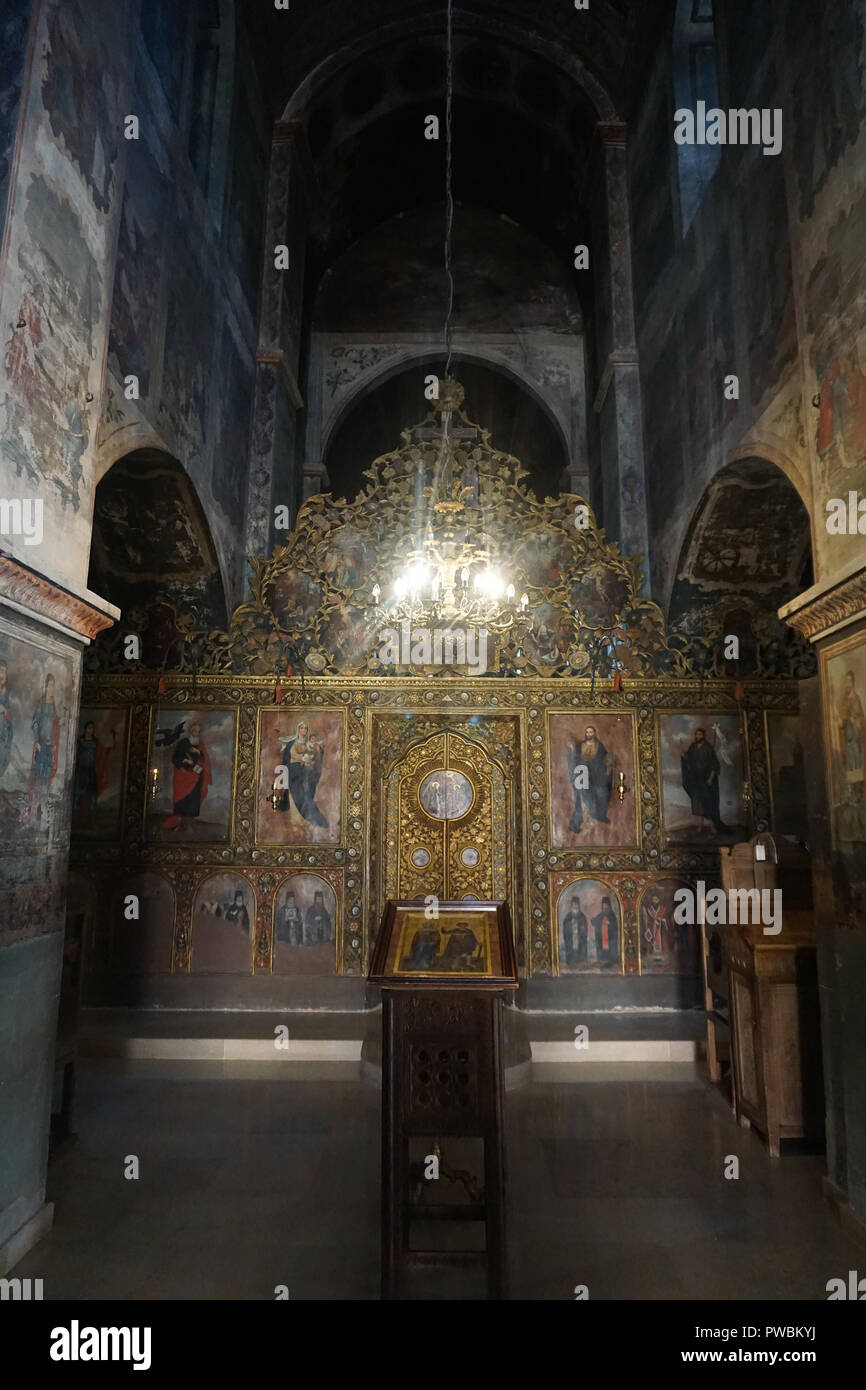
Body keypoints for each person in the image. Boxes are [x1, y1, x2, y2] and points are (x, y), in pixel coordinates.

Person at [163, 721, 212, 832]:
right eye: (194, 731)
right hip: (182, 776)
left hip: (196, 777)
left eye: (198, 732)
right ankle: (179, 824)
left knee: (193, 800)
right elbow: (175, 758)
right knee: (181, 800)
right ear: (191, 731)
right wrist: (185, 760)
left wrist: (199, 754)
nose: (196, 733)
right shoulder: (183, 743)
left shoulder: (201, 745)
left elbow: (205, 760)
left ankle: (189, 824)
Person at [278, 721, 328, 828]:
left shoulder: (309, 742)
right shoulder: (292, 743)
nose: (304, 730)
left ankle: (306, 820)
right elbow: (289, 757)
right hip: (294, 771)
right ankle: (304, 819)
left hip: (305, 772)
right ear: (298, 729)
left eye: (305, 728)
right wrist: (301, 759)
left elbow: (314, 753)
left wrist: (319, 751)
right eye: (302, 728)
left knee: (306, 794)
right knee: (298, 795)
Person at [25, 672, 60, 822]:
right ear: (45, 686)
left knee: (46, 780)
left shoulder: (53, 705)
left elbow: (54, 724)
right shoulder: (41, 704)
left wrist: (60, 721)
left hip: (48, 747)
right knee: (38, 779)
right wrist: (36, 741)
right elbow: (35, 723)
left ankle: (43, 811)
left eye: (53, 685)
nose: (51, 688)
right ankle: (33, 813)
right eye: (50, 685)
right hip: (41, 748)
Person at [680, 727, 729, 834]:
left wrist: (710, 779)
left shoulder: (708, 748)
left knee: (708, 803)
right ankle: (700, 826)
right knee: (699, 804)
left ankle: (713, 827)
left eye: (700, 735)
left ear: (703, 736)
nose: (698, 736)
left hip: (706, 780)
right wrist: (684, 756)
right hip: (696, 779)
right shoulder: (693, 747)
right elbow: (689, 761)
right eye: (696, 734)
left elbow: (714, 765)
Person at [567, 725, 613, 833]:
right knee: (582, 800)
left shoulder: (599, 746)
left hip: (596, 776)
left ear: (594, 734)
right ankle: (579, 822)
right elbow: (575, 759)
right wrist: (572, 750)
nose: (589, 734)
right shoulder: (580, 746)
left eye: (591, 732)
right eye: (587, 732)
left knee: (601, 793)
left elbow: (605, 759)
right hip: (583, 777)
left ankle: (597, 815)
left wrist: (609, 762)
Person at [838, 670, 865, 801]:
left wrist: (854, 720)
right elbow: (842, 719)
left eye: (849, 681)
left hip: (855, 738)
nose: (847, 684)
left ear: (852, 682)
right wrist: (843, 719)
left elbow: (861, 719)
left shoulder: (856, 699)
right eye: (846, 681)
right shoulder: (844, 700)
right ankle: (852, 793)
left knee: (856, 764)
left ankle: (858, 794)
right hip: (848, 738)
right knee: (849, 764)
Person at [591, 895, 618, 966]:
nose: (605, 907)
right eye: (603, 906)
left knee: (610, 952)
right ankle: (603, 961)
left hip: (610, 938)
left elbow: (615, 926)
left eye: (606, 906)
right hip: (602, 938)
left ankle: (611, 961)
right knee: (602, 951)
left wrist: (610, 924)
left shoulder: (612, 916)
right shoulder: (600, 915)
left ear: (609, 906)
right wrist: (593, 920)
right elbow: (595, 922)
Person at [562, 895, 588, 965]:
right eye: (573, 904)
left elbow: (584, 927)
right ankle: (571, 961)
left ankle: (580, 960)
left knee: (580, 946)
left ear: (578, 905)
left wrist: (580, 927)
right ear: (571, 905)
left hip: (579, 936)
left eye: (576, 904)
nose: (574, 906)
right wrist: (570, 924)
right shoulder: (568, 916)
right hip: (571, 937)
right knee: (571, 947)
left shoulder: (582, 916)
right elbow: (565, 925)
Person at [644, 891, 669, 958]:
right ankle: (652, 953)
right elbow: (648, 920)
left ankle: (663, 953)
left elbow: (666, 919)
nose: (654, 901)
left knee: (662, 940)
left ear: (658, 900)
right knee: (651, 939)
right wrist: (652, 923)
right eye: (653, 900)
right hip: (653, 928)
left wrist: (661, 920)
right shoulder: (649, 909)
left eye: (656, 899)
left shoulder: (663, 909)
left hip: (661, 929)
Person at [0, 660, 12, 781]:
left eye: (4, 672)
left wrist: (5, 710)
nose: (2, 674)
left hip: (4, 735)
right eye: (1, 670)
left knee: (4, 759)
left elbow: (9, 713)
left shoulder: (7, 692)